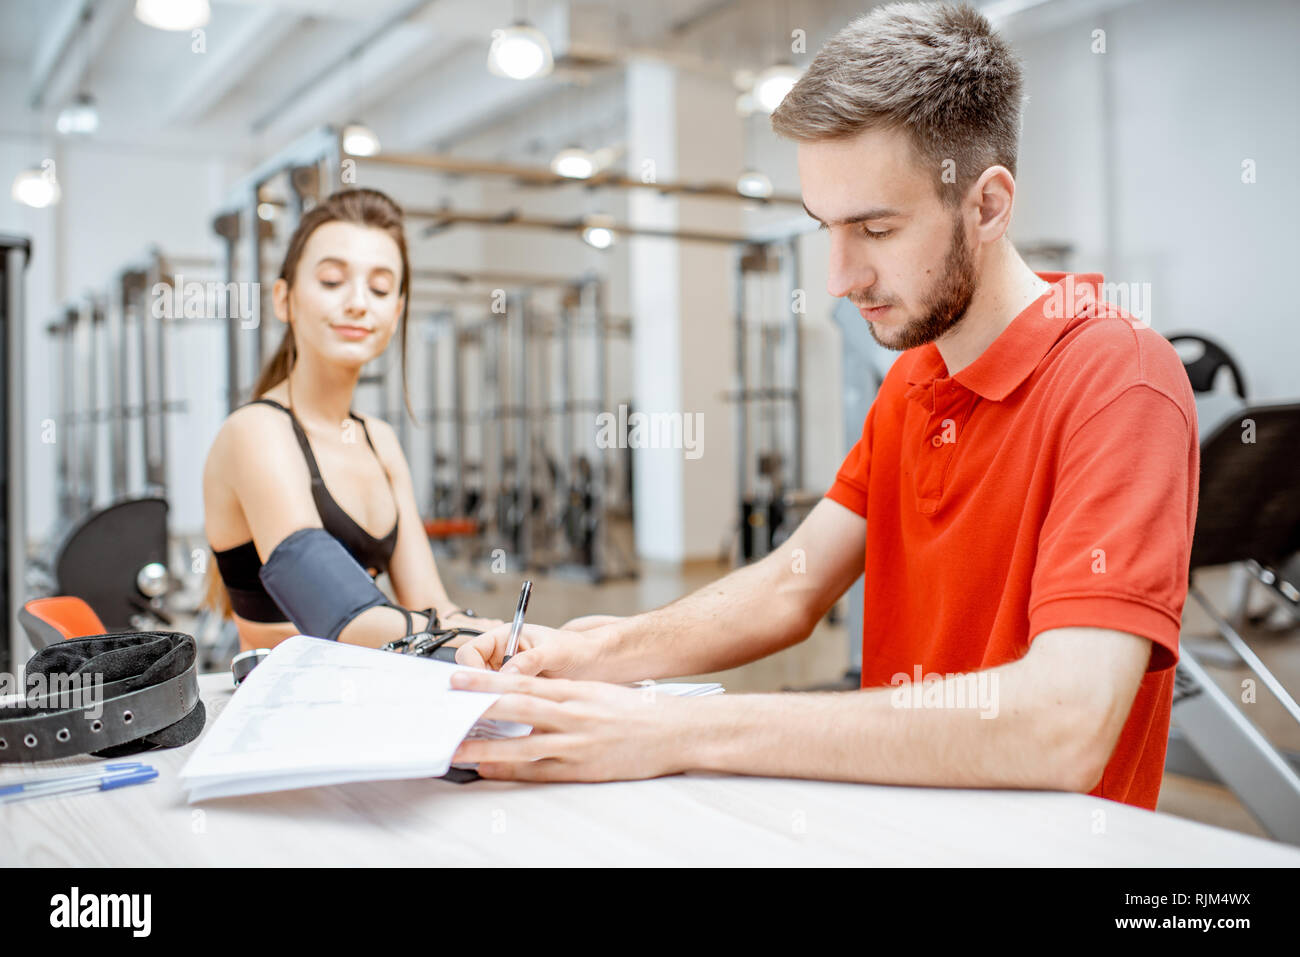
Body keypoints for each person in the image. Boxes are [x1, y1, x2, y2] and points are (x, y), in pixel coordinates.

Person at [449, 2, 1199, 811]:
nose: (839, 278)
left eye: (875, 229)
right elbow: (789, 588)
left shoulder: (1121, 383)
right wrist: (592, 653)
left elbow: (1063, 722)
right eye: (826, 229)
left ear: (986, 205)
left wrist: (671, 730)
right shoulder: (914, 380)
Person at [203, 188, 500, 653]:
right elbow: (342, 616)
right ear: (284, 300)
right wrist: (476, 638)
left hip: (370, 695)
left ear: (396, 311)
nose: (359, 303)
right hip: (285, 711)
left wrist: (519, 636)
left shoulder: (380, 441)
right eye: (331, 280)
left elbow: (432, 604)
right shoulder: (256, 431)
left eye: (380, 289)